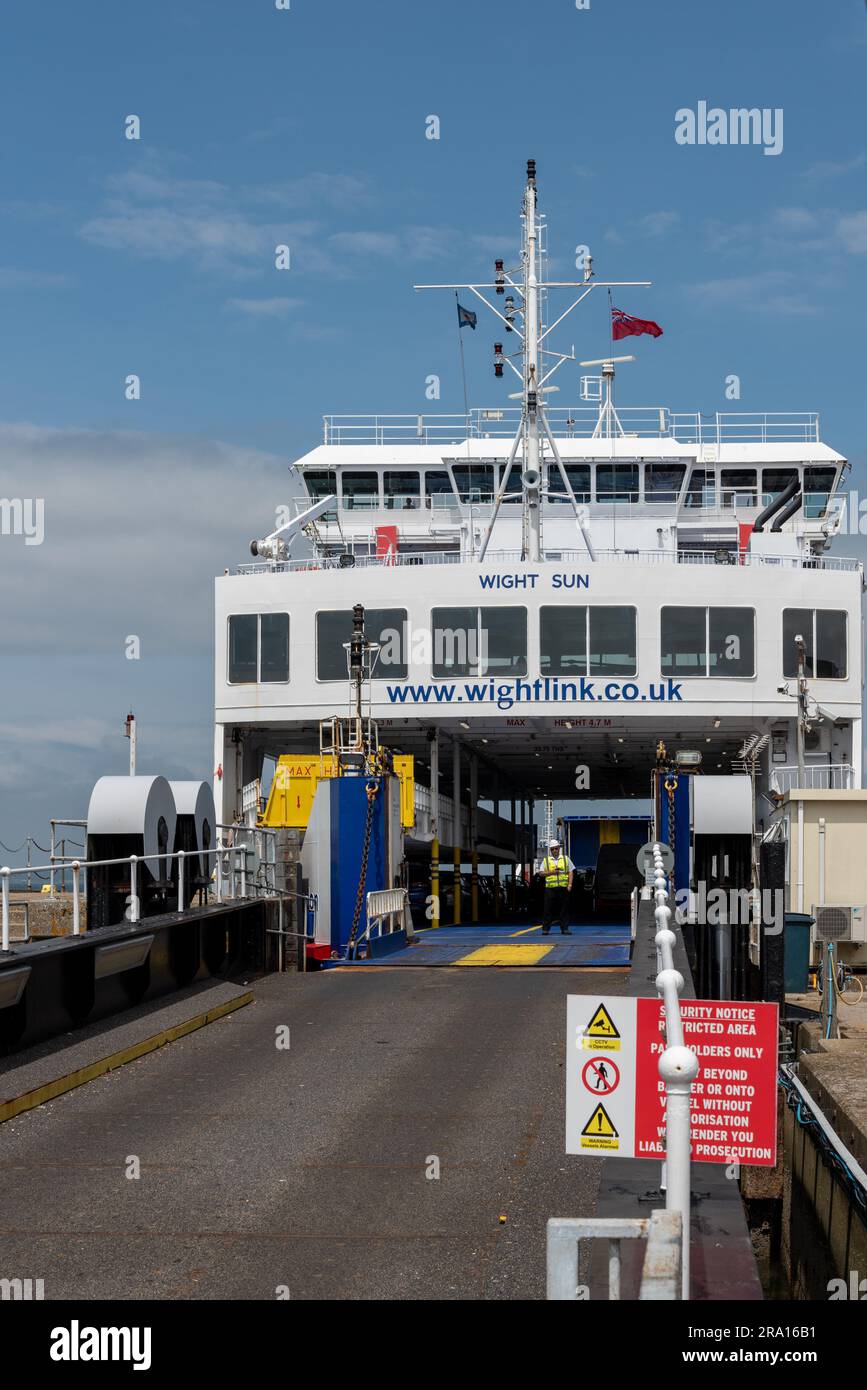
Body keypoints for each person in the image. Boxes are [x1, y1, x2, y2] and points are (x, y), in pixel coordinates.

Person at [539, 837, 574, 935]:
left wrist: (570, 884)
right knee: (548, 908)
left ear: (559, 848)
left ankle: (565, 928)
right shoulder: (546, 860)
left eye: (556, 848)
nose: (554, 850)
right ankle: (545, 929)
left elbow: (571, 872)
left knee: (564, 909)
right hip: (550, 889)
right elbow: (541, 873)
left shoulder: (566, 859)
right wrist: (551, 872)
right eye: (552, 849)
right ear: (550, 850)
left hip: (563, 888)